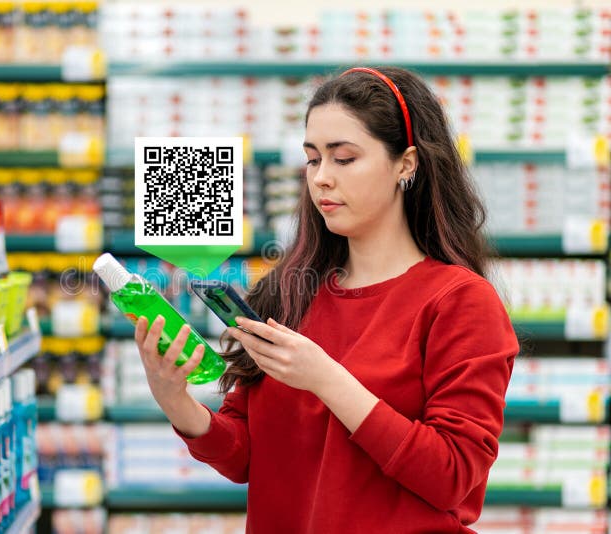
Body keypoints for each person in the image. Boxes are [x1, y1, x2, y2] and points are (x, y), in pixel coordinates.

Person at [133, 66, 518, 533]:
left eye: (344, 158)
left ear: (406, 164)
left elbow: (451, 477)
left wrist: (325, 379)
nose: (321, 179)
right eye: (313, 160)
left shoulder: (460, 302)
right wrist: (175, 400)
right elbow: (246, 457)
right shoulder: (289, 291)